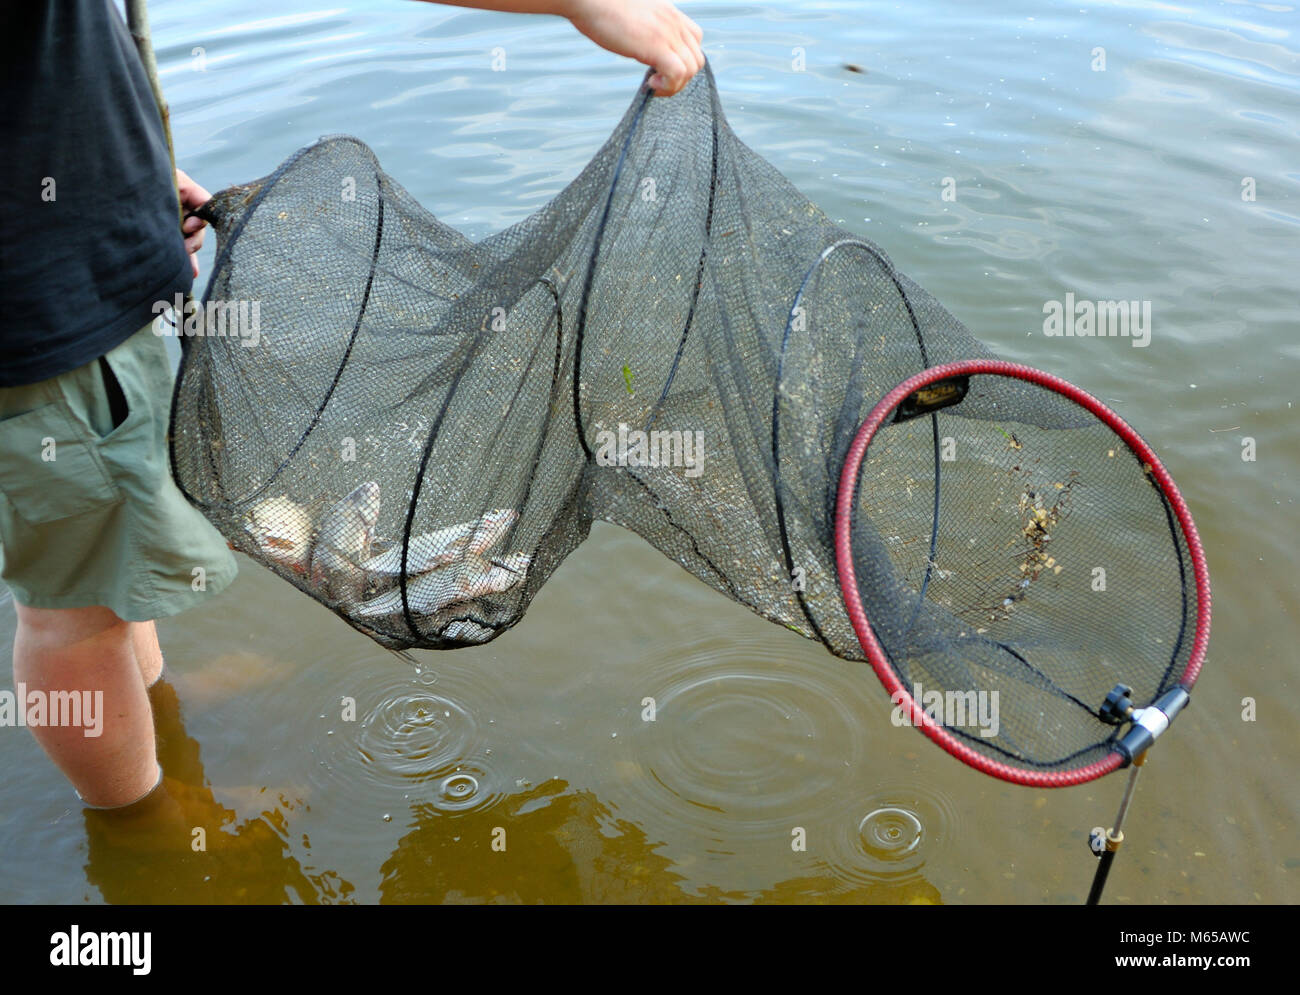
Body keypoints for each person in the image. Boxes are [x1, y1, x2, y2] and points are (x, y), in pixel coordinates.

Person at [0, 0, 703, 810]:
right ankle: (144, 822)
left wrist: (128, 172)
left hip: (90, 263)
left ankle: (157, 699)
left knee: (112, 550)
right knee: (68, 612)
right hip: (40, 308)